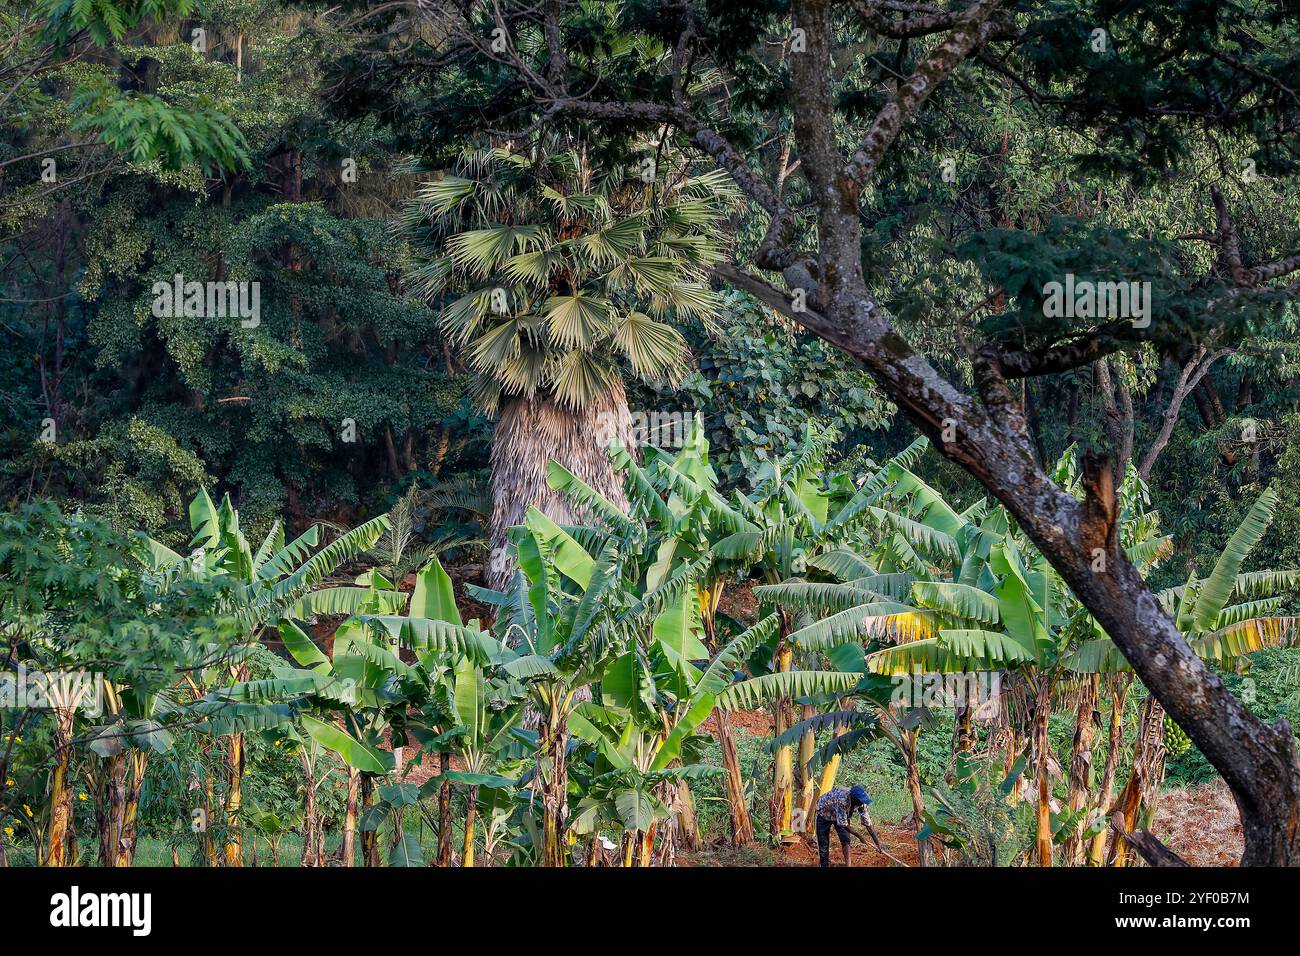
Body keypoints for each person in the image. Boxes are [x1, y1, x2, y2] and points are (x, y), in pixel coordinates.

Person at [815, 784, 883, 867]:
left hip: (841, 814)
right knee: (823, 842)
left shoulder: (861, 802)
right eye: (860, 801)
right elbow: (844, 824)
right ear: (853, 798)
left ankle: (848, 865)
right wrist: (859, 836)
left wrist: (878, 843)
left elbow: (867, 823)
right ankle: (824, 865)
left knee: (846, 839)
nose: (861, 802)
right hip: (824, 812)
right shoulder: (842, 800)